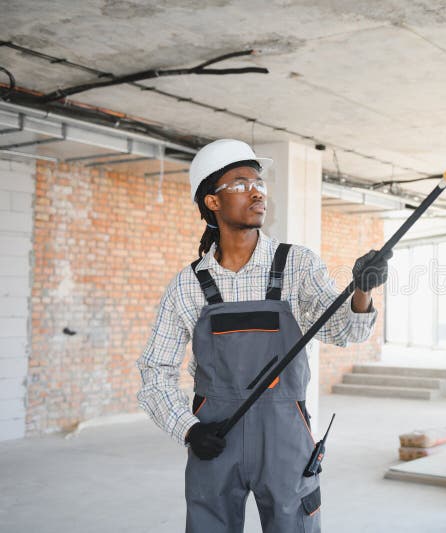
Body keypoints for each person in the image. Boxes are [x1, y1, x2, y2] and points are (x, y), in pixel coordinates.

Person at [136, 139, 390, 533]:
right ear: (212, 202)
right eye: (240, 183)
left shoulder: (296, 265)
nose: (257, 192)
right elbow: (154, 373)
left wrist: (362, 290)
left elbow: (344, 330)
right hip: (216, 437)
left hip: (285, 436)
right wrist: (188, 429)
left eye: (259, 183)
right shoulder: (187, 286)